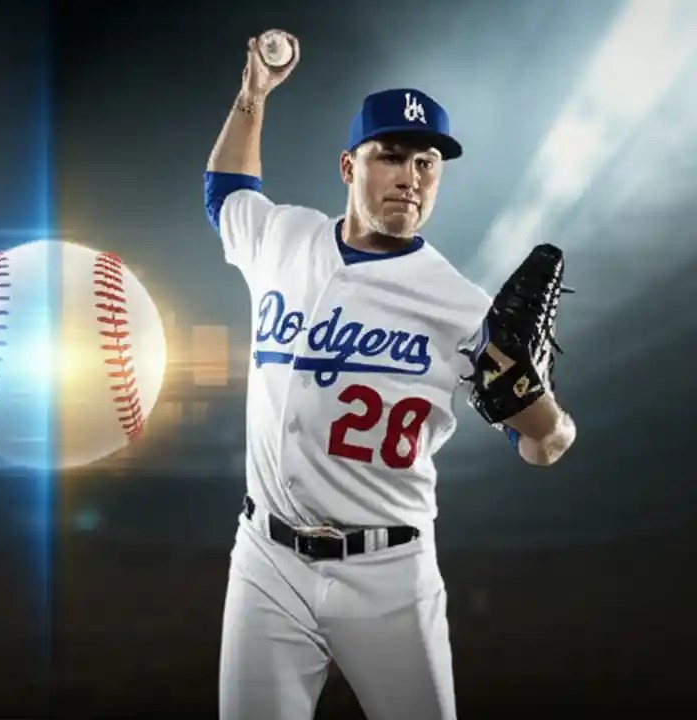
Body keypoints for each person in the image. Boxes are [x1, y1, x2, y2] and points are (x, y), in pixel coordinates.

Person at [203, 32, 577, 719]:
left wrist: (538, 402)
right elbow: (225, 192)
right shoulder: (284, 237)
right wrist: (252, 95)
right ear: (349, 166)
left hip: (390, 573)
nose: (411, 175)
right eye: (392, 156)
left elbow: (545, 444)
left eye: (427, 162)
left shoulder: (464, 308)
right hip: (266, 558)